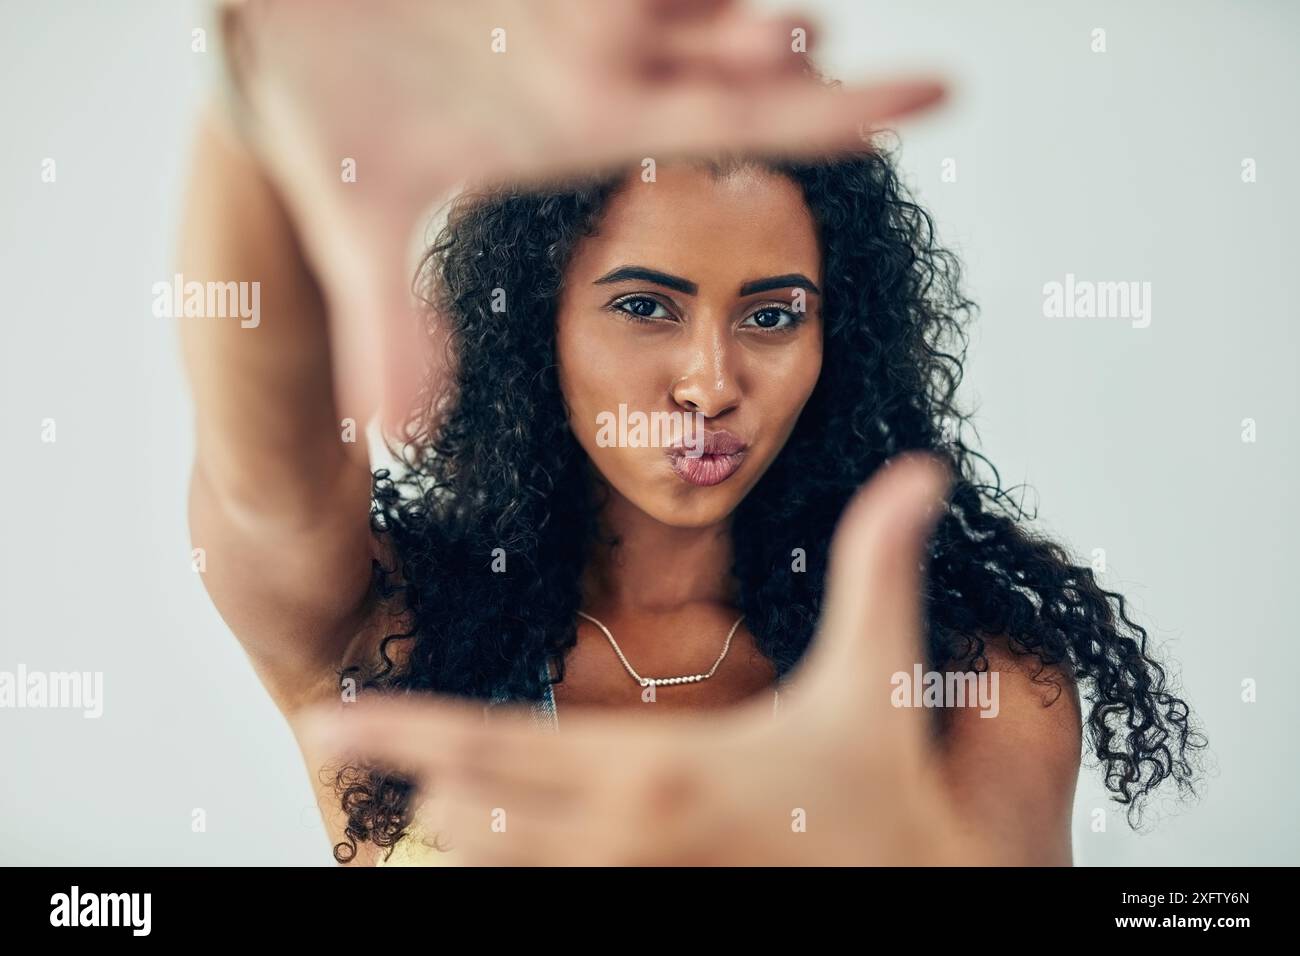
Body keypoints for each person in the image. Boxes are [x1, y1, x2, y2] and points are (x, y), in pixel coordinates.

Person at [181, 0, 1202, 866]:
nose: (711, 384)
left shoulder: (972, 688)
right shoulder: (383, 626)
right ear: (540, 323)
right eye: (643, 305)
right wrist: (258, 117)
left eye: (771, 314)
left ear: (835, 339)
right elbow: (259, 475)